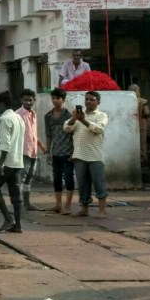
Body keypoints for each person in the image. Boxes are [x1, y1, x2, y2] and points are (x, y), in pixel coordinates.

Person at [64, 90, 109, 218]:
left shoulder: (101, 115)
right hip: (79, 155)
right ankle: (84, 208)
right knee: (83, 184)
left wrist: (83, 121)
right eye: (87, 99)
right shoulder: (79, 116)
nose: (88, 101)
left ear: (98, 102)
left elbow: (98, 129)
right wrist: (75, 118)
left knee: (99, 183)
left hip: (95, 155)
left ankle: (102, 210)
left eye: (92, 99)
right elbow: (66, 128)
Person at [0, 91, 25, 233]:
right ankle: (18, 224)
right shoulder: (18, 117)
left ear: (2, 104)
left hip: (6, 162)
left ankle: (8, 219)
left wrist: (0, 165)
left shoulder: (5, 119)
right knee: (16, 194)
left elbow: (5, 145)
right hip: (17, 161)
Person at [44, 87, 75, 214]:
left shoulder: (69, 116)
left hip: (68, 152)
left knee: (68, 178)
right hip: (55, 152)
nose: (55, 101)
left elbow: (74, 135)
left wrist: (74, 152)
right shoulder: (48, 116)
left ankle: (67, 205)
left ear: (63, 100)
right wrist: (48, 152)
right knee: (56, 179)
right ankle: (58, 204)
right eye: (53, 98)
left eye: (58, 98)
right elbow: (48, 135)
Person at [18, 88, 48, 210]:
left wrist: (41, 145)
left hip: (33, 150)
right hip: (23, 150)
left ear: (34, 100)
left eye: (30, 100)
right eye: (25, 100)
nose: (28, 102)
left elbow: (33, 133)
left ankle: (26, 203)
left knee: (29, 177)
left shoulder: (33, 114)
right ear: (21, 100)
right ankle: (18, 202)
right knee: (22, 176)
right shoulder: (18, 114)